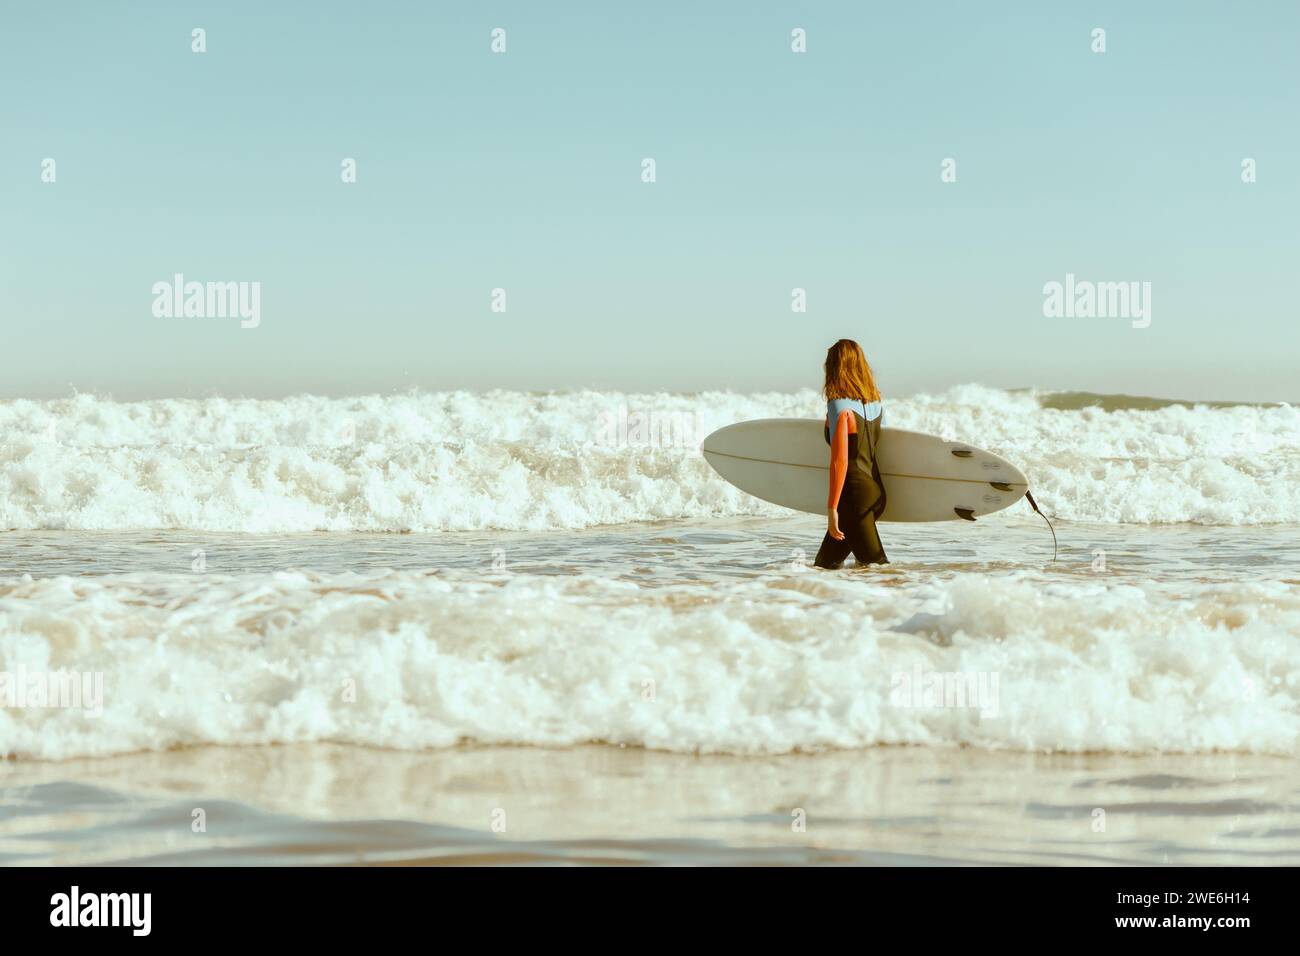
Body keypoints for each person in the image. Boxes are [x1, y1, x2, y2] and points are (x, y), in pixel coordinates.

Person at [815, 339, 889, 568]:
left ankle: (913, 600)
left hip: (853, 501)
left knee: (880, 570)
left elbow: (840, 461)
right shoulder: (876, 403)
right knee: (824, 566)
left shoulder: (838, 405)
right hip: (875, 494)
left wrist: (832, 509)